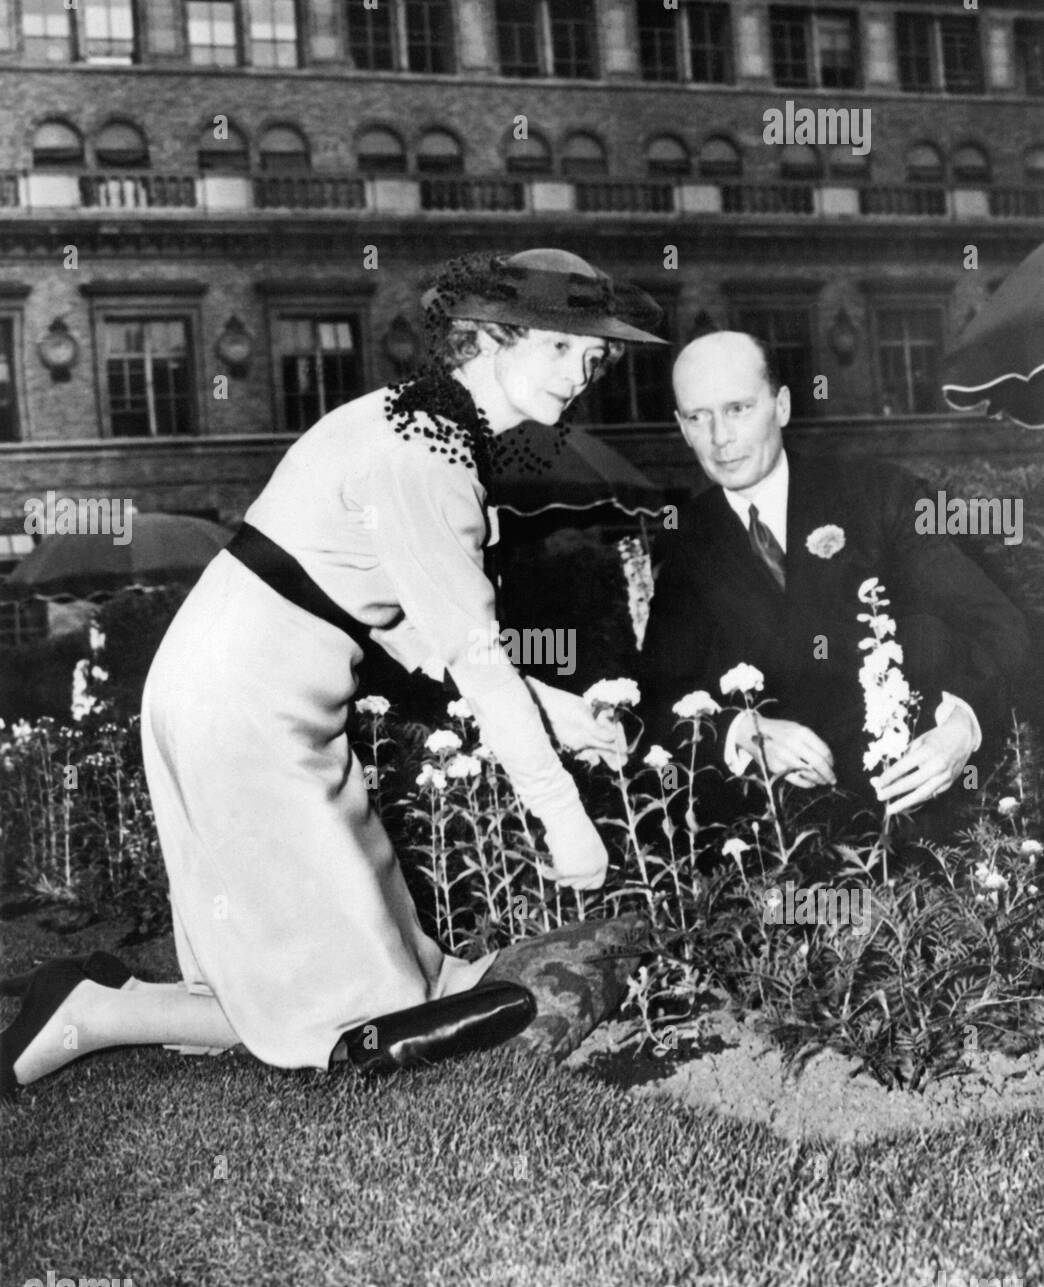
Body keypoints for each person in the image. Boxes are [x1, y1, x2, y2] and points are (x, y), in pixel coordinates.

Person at [1, 248, 667, 1100]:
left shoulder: (399, 419)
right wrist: (566, 821)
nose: (583, 374)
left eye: (594, 355)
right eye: (561, 347)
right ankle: (85, 1016)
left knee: (320, 963)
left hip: (223, 689)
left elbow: (413, 634)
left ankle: (95, 1008)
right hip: (248, 707)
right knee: (357, 1005)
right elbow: (474, 659)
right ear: (491, 338)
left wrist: (564, 716)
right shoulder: (429, 458)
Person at [640, 330, 1029, 833]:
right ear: (680, 426)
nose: (719, 438)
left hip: (914, 830)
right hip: (773, 847)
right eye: (697, 417)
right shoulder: (687, 537)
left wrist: (962, 727)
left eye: (738, 409)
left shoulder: (878, 495)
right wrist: (740, 731)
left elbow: (999, 624)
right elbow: (657, 695)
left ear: (780, 406)